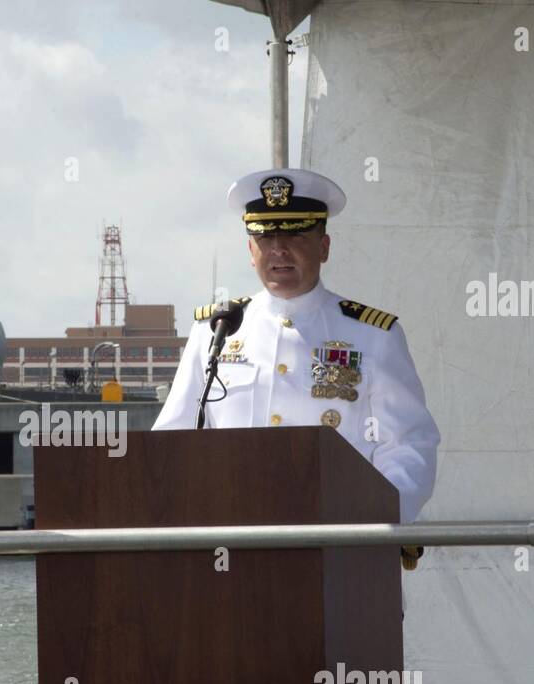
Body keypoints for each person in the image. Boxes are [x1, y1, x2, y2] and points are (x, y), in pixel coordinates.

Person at [154, 167, 440, 546]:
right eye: (266, 235)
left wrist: (376, 522)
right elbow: (173, 440)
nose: (279, 250)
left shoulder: (372, 335)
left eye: (294, 233)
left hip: (338, 547)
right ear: (249, 249)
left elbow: (408, 445)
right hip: (227, 549)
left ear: (324, 246)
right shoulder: (216, 331)